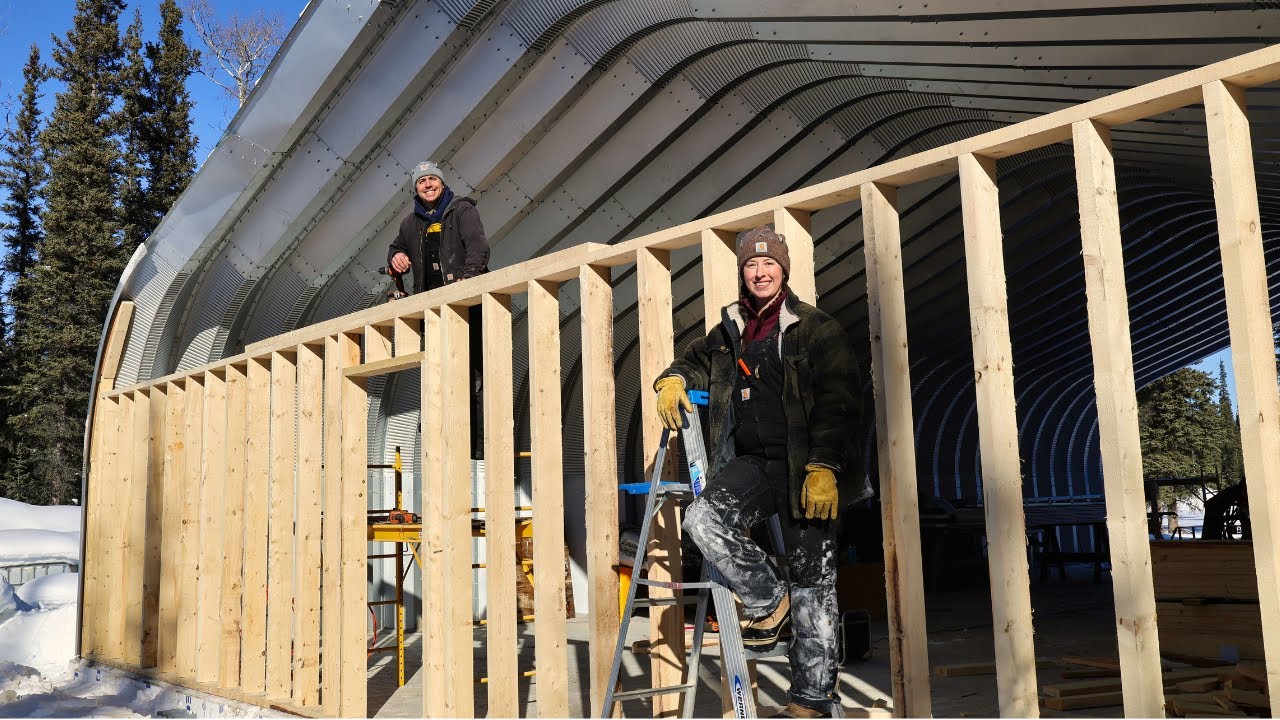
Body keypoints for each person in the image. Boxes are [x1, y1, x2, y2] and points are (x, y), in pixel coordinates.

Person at [653, 226, 861, 719]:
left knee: (813, 585)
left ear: (783, 271)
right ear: (743, 273)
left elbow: (840, 400)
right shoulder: (731, 329)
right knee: (702, 519)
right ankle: (769, 598)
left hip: (806, 466)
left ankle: (810, 700)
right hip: (751, 462)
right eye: (751, 264)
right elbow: (695, 360)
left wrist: (824, 465)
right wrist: (674, 378)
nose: (760, 272)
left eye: (769, 264)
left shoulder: (815, 328)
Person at [388, 161, 490, 458]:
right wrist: (396, 256)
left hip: (467, 305)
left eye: (433, 179)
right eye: (422, 181)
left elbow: (478, 248)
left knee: (473, 373)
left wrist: (469, 281)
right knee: (437, 374)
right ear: (416, 188)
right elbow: (395, 247)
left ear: (442, 183)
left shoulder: (461, 211)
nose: (428, 185)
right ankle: (440, 443)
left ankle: (477, 449)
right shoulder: (410, 223)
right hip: (432, 312)